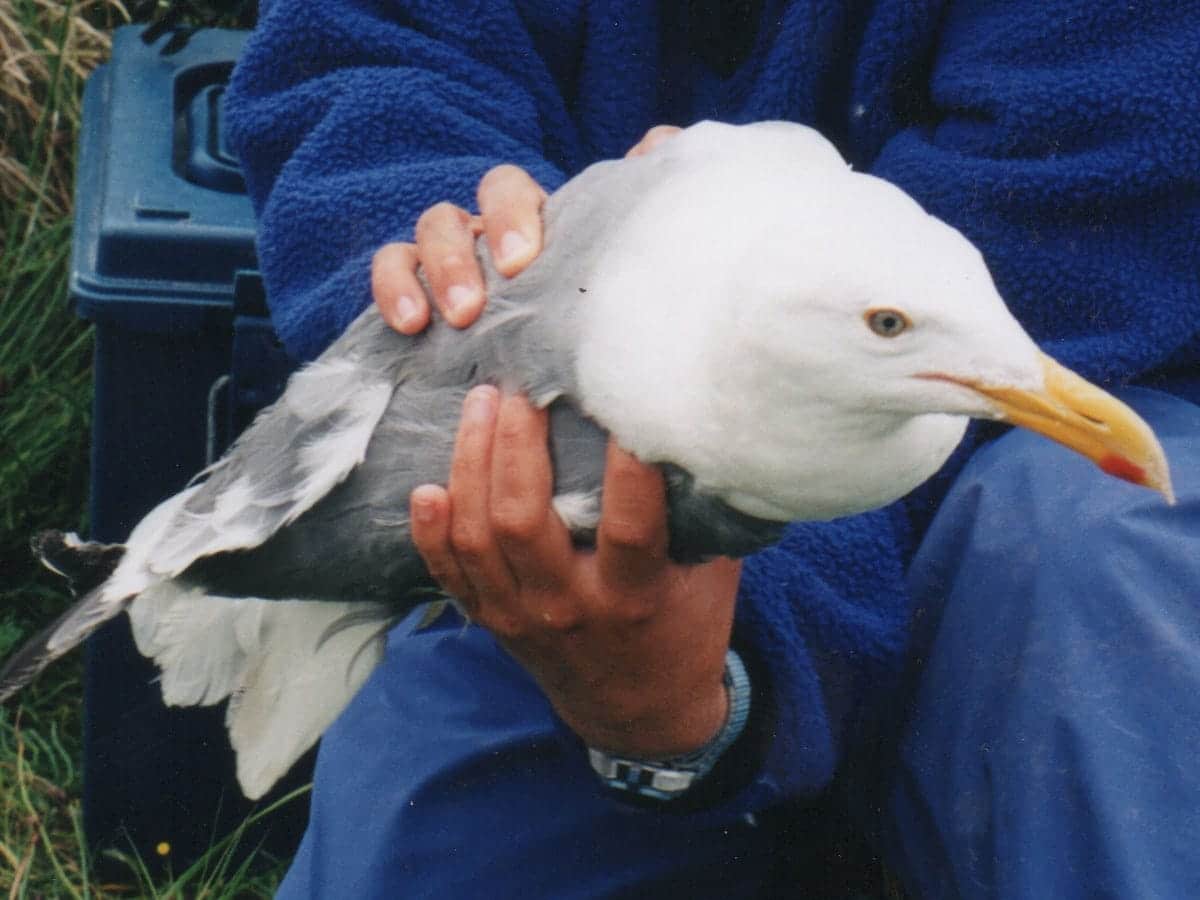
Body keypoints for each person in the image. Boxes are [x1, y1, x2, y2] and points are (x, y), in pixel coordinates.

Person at [224, 2, 1200, 896]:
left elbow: (1052, 280)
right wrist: (488, 282)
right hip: (599, 460)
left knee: (1103, 559)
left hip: (1041, 453)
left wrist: (722, 661)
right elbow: (372, 55)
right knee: (434, 837)